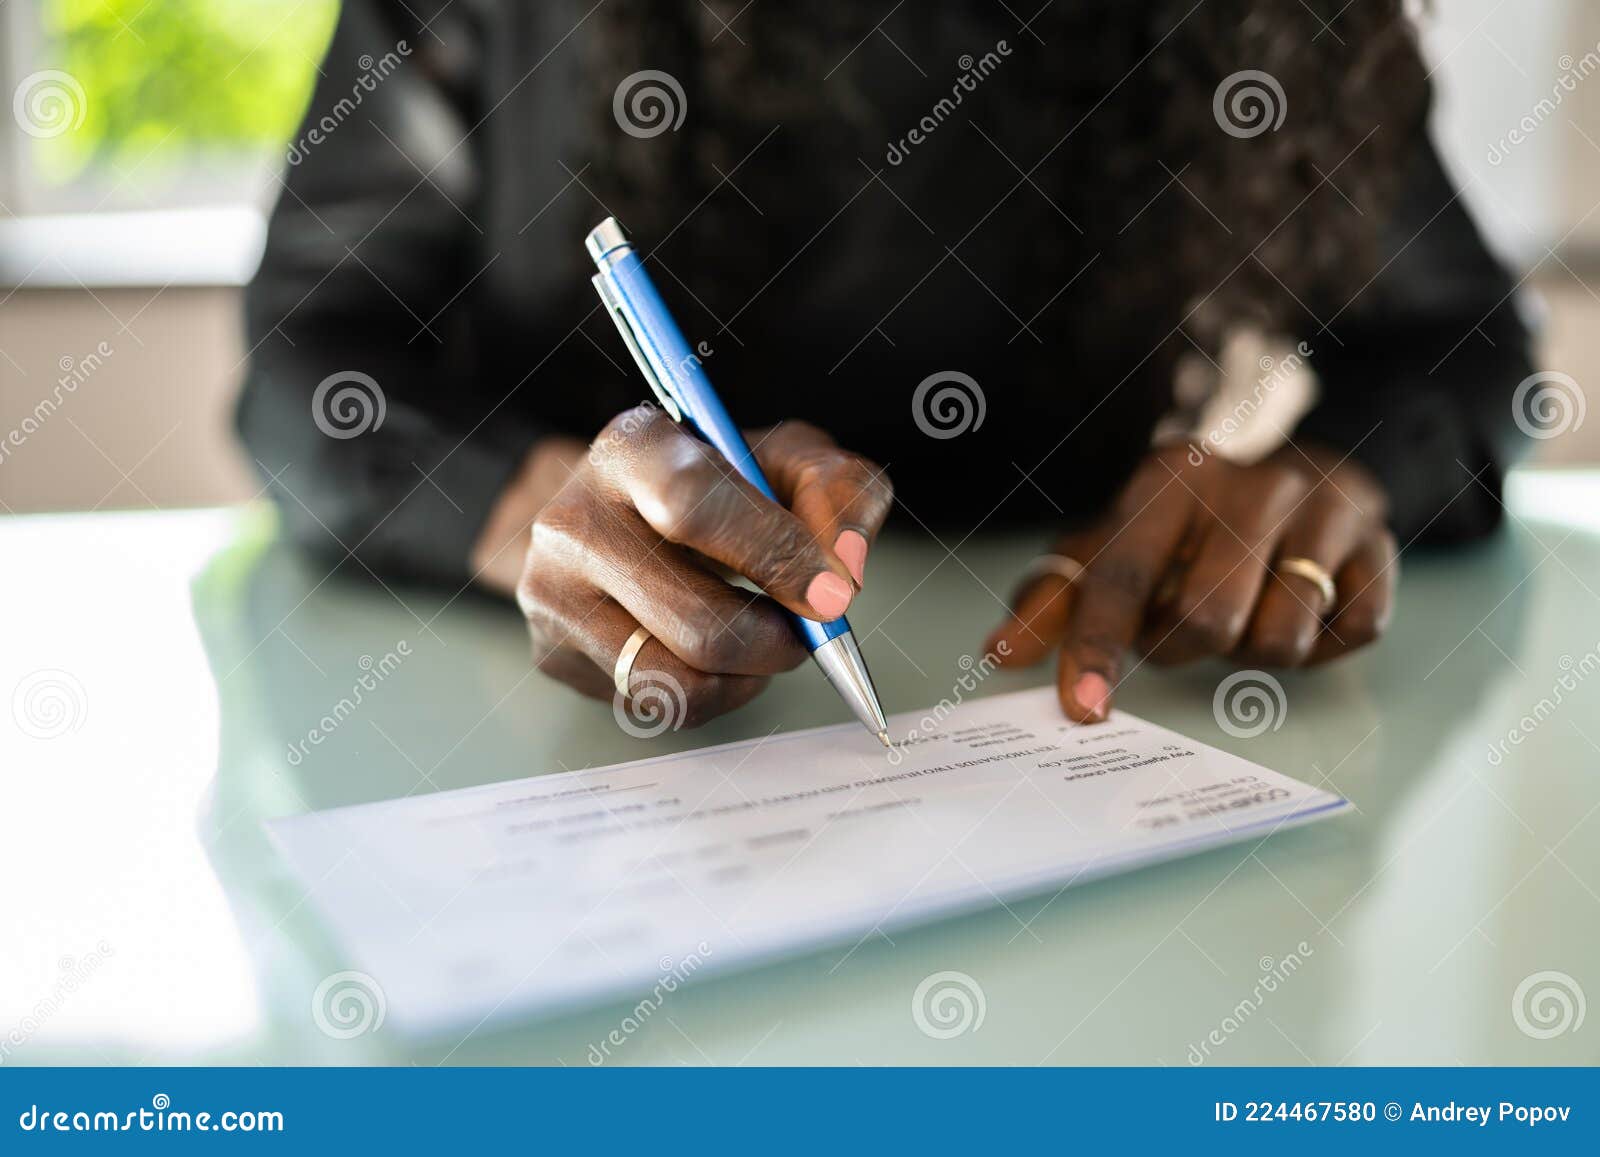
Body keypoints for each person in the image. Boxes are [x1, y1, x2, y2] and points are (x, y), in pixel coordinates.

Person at [238, 1, 1534, 727]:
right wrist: (535, 510)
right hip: (551, 731)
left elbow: (1463, 338)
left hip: (1081, 685)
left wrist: (1334, 471)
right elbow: (311, 350)